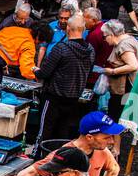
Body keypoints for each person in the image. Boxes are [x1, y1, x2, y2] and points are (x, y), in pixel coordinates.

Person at [34, 13, 94, 145]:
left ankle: (39, 158)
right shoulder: (90, 50)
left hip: (54, 97)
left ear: (68, 28)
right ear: (83, 30)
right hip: (74, 97)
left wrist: (35, 70)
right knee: (63, 132)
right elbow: (88, 72)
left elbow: (44, 73)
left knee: (45, 131)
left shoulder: (62, 48)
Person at [100, 19, 138, 121]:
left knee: (115, 119)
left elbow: (133, 65)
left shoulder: (124, 45)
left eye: (104, 36)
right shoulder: (128, 40)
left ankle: (113, 136)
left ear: (112, 34)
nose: (104, 39)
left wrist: (113, 71)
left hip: (123, 90)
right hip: (123, 90)